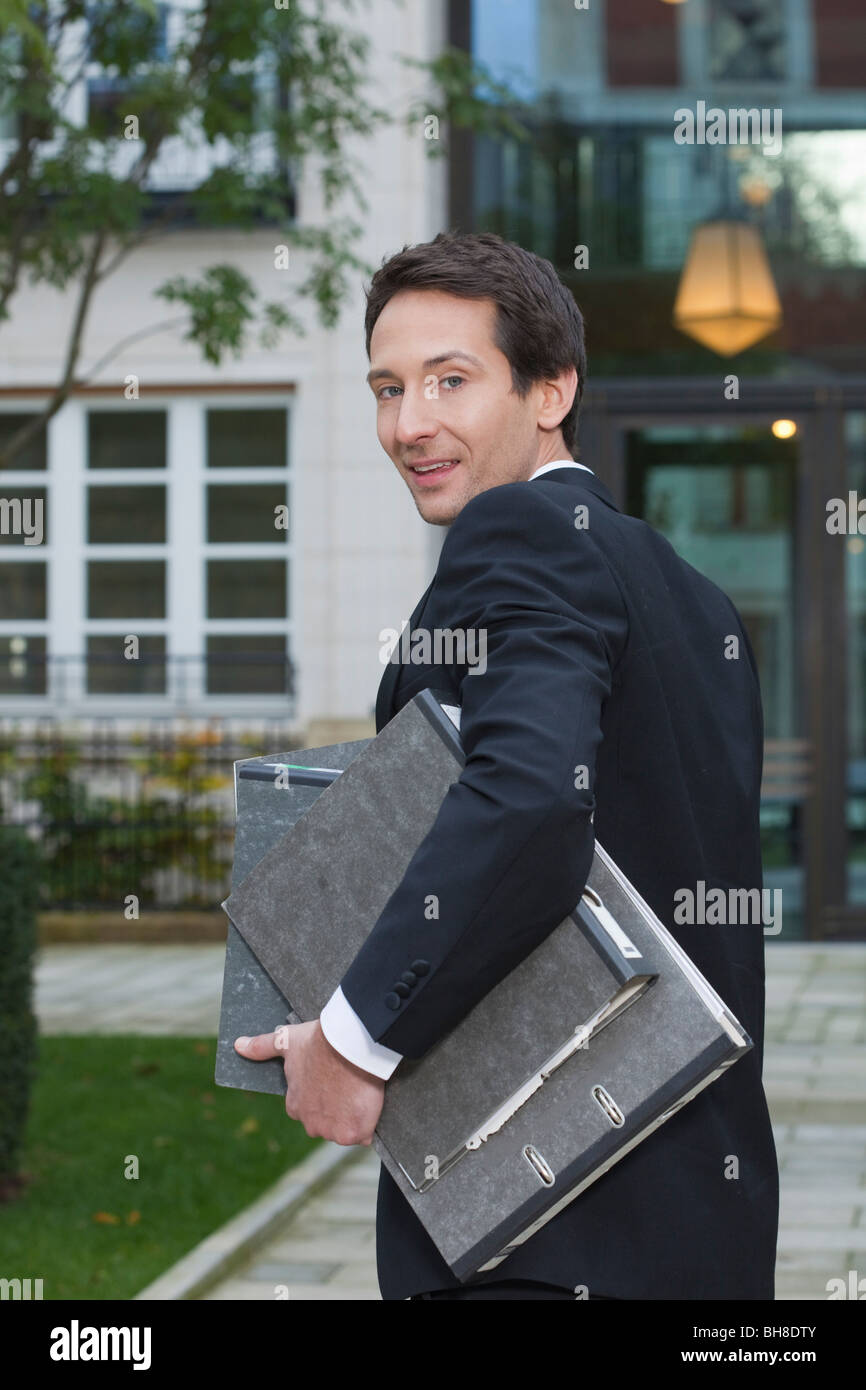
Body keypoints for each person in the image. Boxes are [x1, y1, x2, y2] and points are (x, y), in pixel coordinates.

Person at [235, 230, 779, 1301]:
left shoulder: (518, 532)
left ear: (551, 389)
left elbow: (530, 802)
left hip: (537, 1224)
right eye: (386, 388)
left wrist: (353, 1039)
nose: (409, 424)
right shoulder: (691, 597)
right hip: (692, 1221)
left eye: (451, 379)